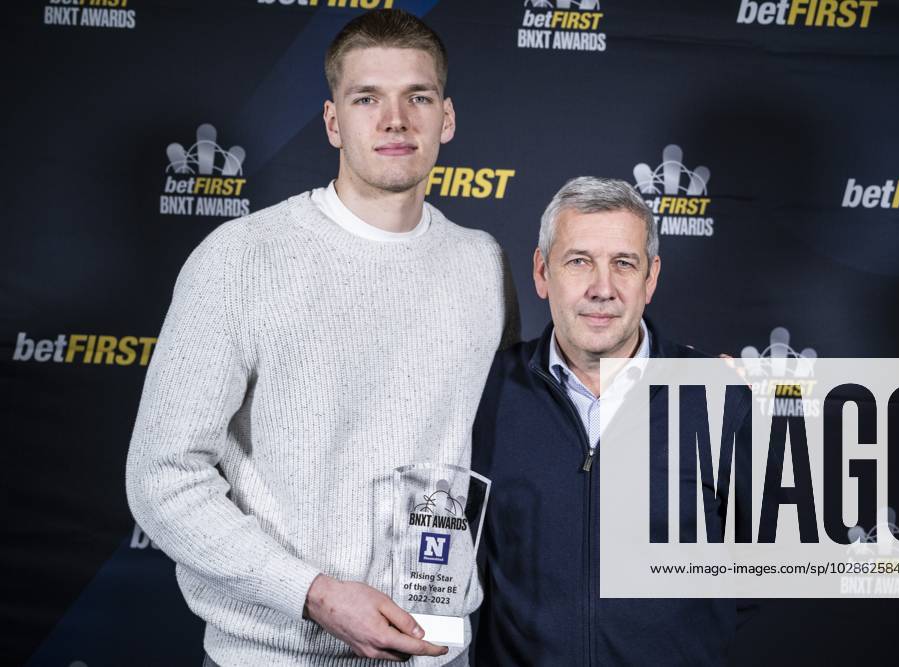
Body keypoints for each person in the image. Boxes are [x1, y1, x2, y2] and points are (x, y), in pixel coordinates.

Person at [126, 9, 517, 666]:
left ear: (445, 118)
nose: (395, 119)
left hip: (437, 655)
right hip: (276, 655)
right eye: (367, 98)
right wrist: (313, 593)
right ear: (334, 121)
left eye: (417, 97)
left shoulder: (483, 264)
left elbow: (521, 435)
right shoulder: (241, 257)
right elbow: (162, 475)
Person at [471, 176, 751, 665]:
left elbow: (763, 574)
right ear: (541, 273)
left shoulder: (720, 396)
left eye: (624, 263)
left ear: (651, 278)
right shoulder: (486, 392)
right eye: (579, 261)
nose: (602, 289)